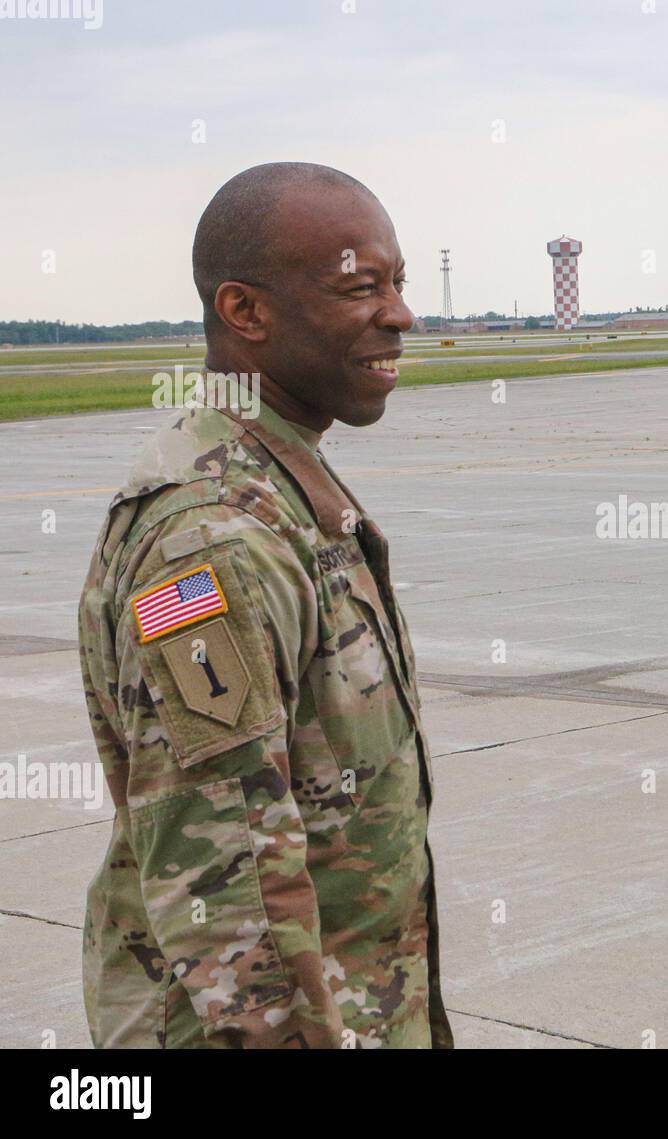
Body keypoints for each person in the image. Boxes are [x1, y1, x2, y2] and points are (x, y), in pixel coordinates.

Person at [78, 162, 453, 1048]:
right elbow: (229, 884)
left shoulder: (277, 483)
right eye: (359, 288)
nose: (400, 313)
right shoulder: (213, 536)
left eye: (398, 284)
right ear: (245, 312)